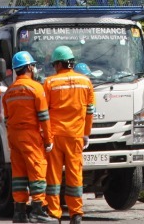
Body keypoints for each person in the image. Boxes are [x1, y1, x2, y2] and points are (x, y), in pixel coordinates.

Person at [42, 47, 94, 224]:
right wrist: (86, 133)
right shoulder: (86, 82)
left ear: (58, 63)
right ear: (71, 62)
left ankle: (54, 213)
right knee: (74, 176)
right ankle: (76, 214)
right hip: (76, 136)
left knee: (53, 177)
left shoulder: (49, 83)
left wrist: (46, 137)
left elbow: (44, 112)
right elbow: (90, 111)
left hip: (55, 136)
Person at [1, 51, 53, 224]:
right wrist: (48, 140)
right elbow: (44, 117)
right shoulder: (36, 88)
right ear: (29, 67)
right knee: (37, 169)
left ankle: (20, 212)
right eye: (33, 65)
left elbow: (7, 118)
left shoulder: (9, 91)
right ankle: (38, 210)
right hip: (30, 134)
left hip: (13, 136)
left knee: (19, 173)